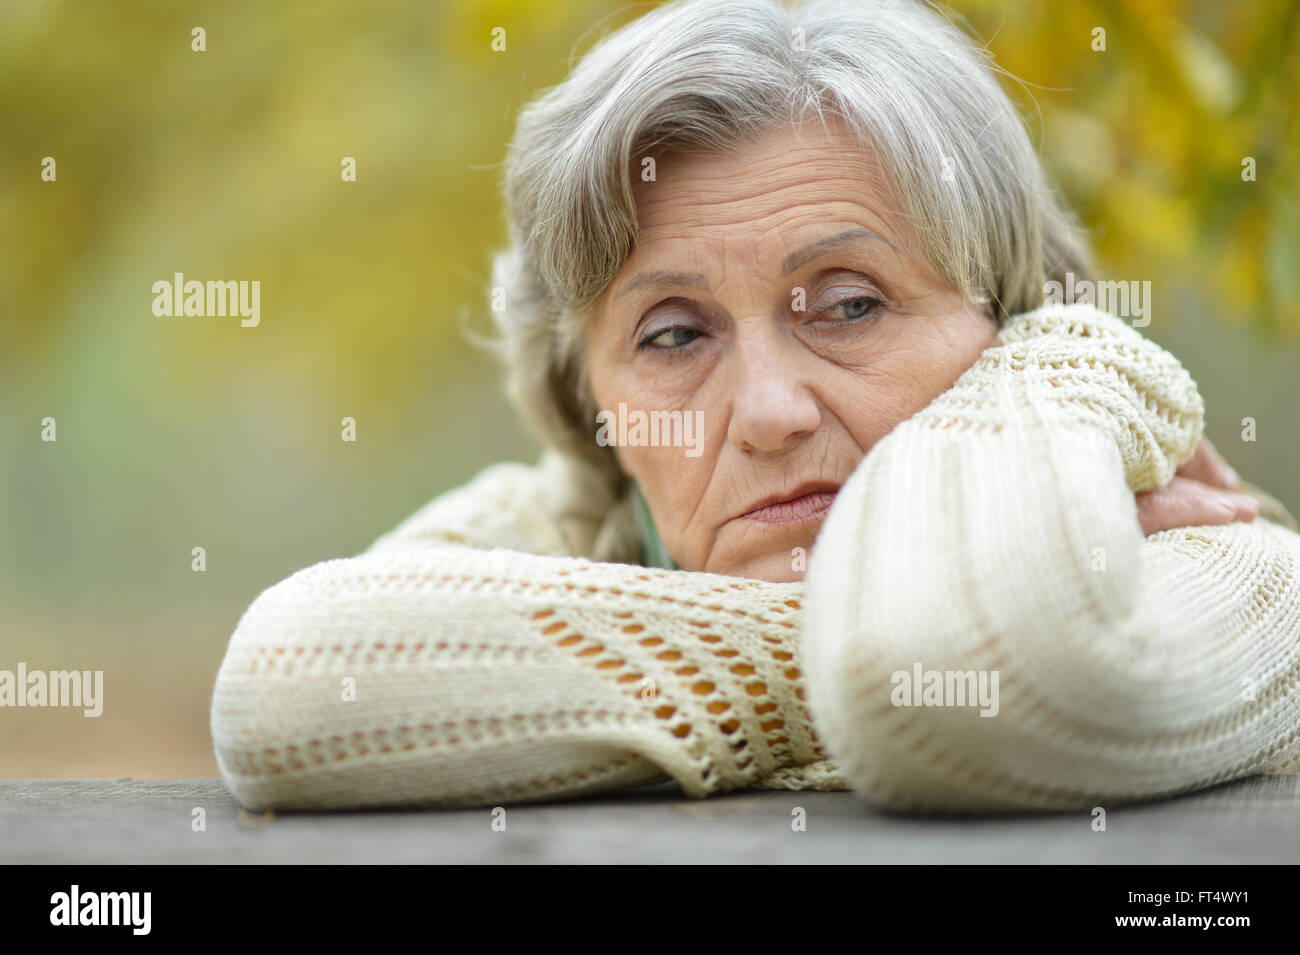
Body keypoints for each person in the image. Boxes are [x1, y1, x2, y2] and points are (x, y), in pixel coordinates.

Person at [210, 0, 1300, 812]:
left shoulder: (1213, 551)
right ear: (588, 406)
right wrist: (834, 643)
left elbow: (970, 679)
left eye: (850, 305)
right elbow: (294, 690)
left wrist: (1060, 377)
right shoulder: (571, 529)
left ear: (1012, 326)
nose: (771, 410)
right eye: (673, 335)